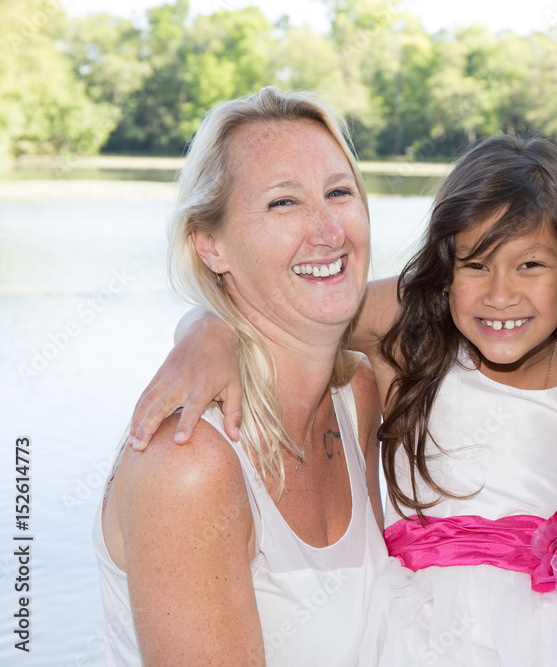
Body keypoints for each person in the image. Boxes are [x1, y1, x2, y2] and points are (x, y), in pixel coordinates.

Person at [126, 133, 557, 665]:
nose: (500, 295)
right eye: (475, 265)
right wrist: (206, 330)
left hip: (548, 635)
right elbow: (283, 307)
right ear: (444, 272)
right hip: (412, 632)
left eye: (530, 265)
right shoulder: (407, 336)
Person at [93, 87, 414, 666]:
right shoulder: (189, 464)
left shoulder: (355, 394)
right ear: (210, 244)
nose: (329, 231)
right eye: (282, 203)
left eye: (339, 192)